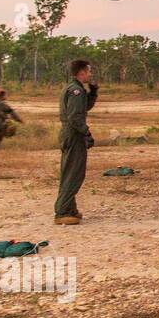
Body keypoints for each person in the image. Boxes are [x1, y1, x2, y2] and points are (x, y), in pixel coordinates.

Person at [54, 60, 98, 225]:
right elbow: (75, 116)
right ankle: (62, 211)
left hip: (70, 133)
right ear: (82, 72)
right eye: (88, 71)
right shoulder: (76, 90)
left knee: (69, 171)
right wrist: (86, 132)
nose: (90, 74)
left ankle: (69, 208)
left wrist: (93, 93)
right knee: (74, 172)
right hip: (73, 134)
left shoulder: (74, 88)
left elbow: (83, 108)